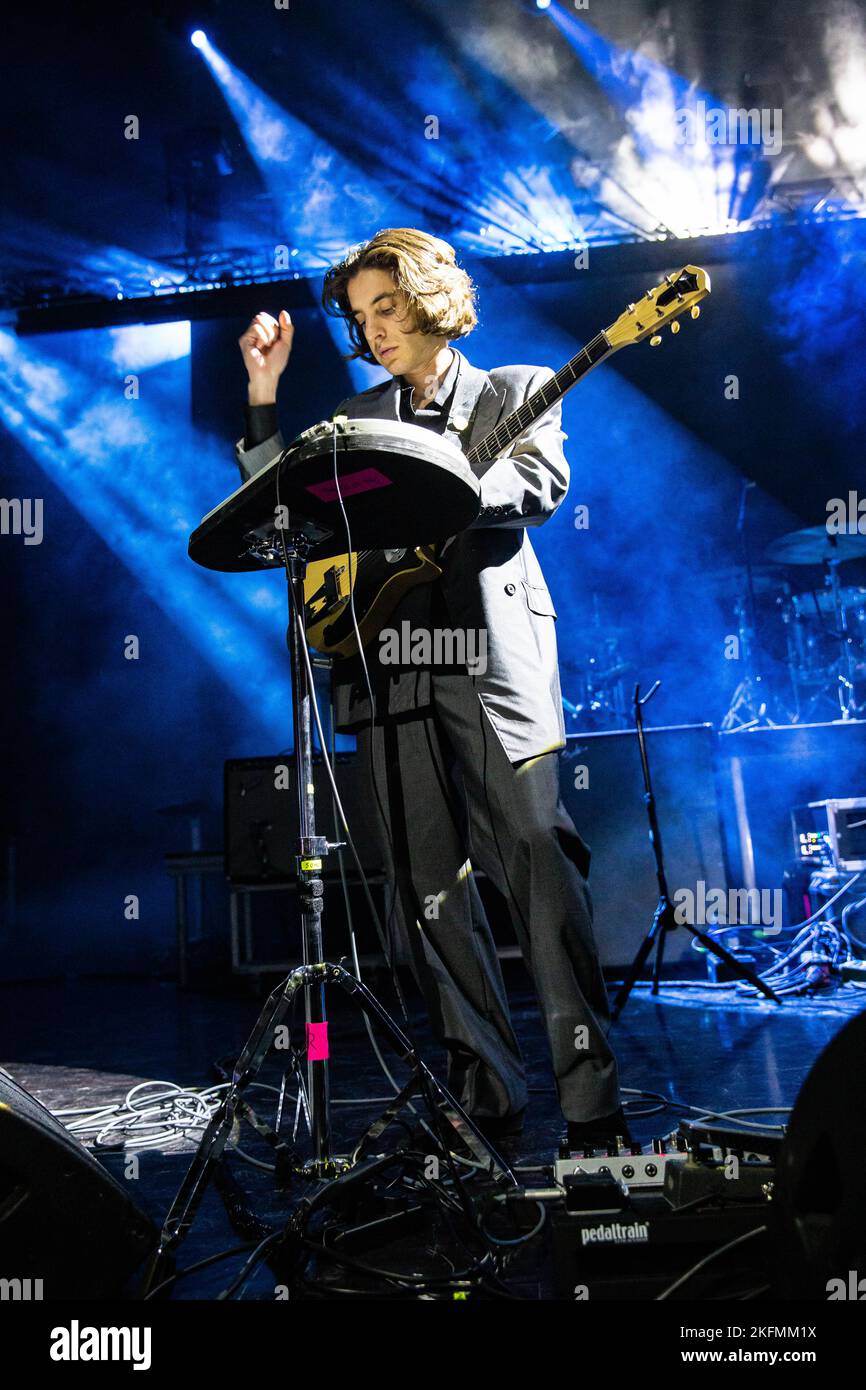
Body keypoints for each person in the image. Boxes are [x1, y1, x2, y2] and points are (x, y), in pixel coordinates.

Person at [235, 228, 629, 1148]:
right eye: (362, 316)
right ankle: (485, 1097)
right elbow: (285, 522)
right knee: (427, 892)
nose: (374, 330)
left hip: (490, 660)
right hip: (391, 663)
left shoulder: (517, 388)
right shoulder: (355, 413)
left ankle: (591, 1101)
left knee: (537, 855)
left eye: (388, 307)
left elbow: (537, 482)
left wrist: (444, 489)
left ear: (431, 301)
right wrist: (262, 396)